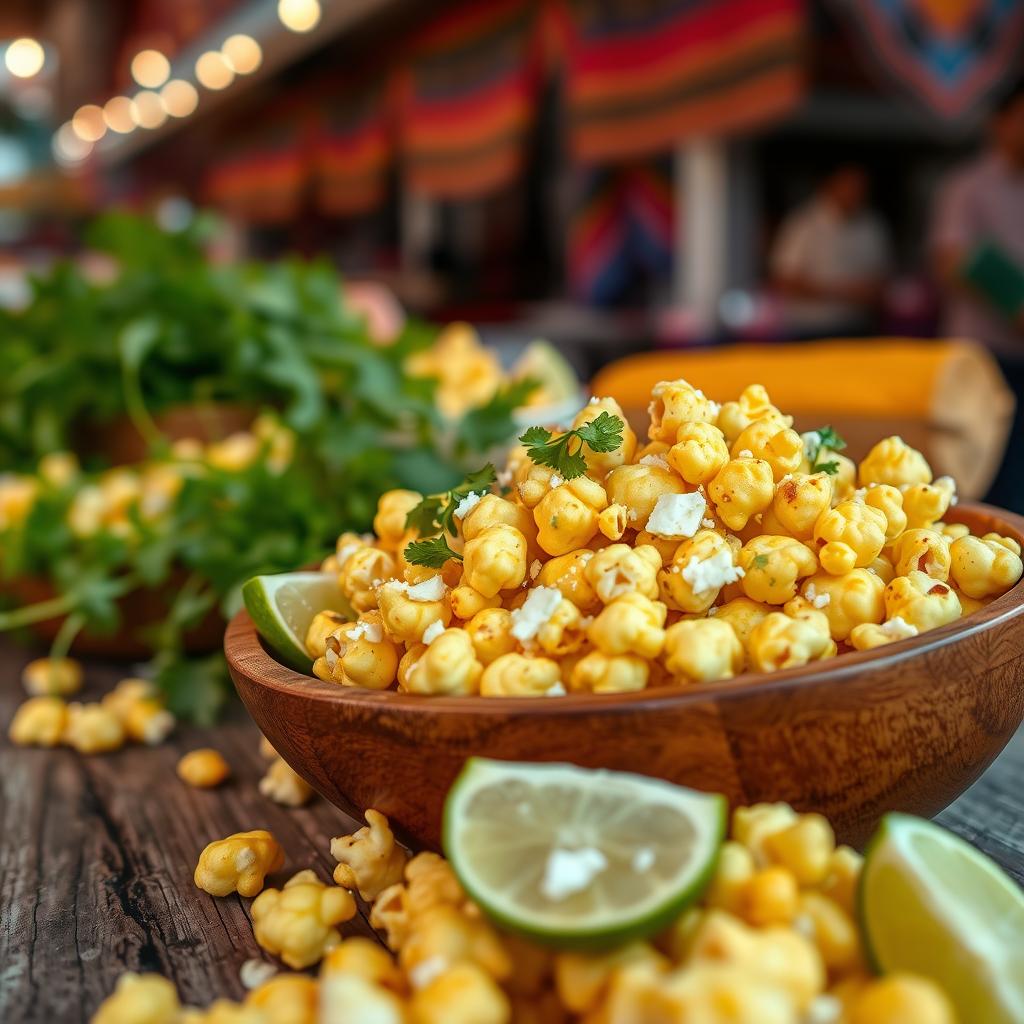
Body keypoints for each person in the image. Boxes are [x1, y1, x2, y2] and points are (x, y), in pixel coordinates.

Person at [932, 78, 1024, 511]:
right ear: (999, 122)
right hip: (981, 355)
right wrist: (1013, 301)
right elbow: (950, 261)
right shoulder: (969, 187)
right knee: (984, 472)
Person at [770, 164, 892, 337]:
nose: (854, 192)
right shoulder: (803, 223)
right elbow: (784, 280)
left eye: (859, 187)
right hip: (808, 328)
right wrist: (841, 292)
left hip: (858, 328)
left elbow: (881, 285)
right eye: (848, 185)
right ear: (830, 185)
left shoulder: (872, 225)